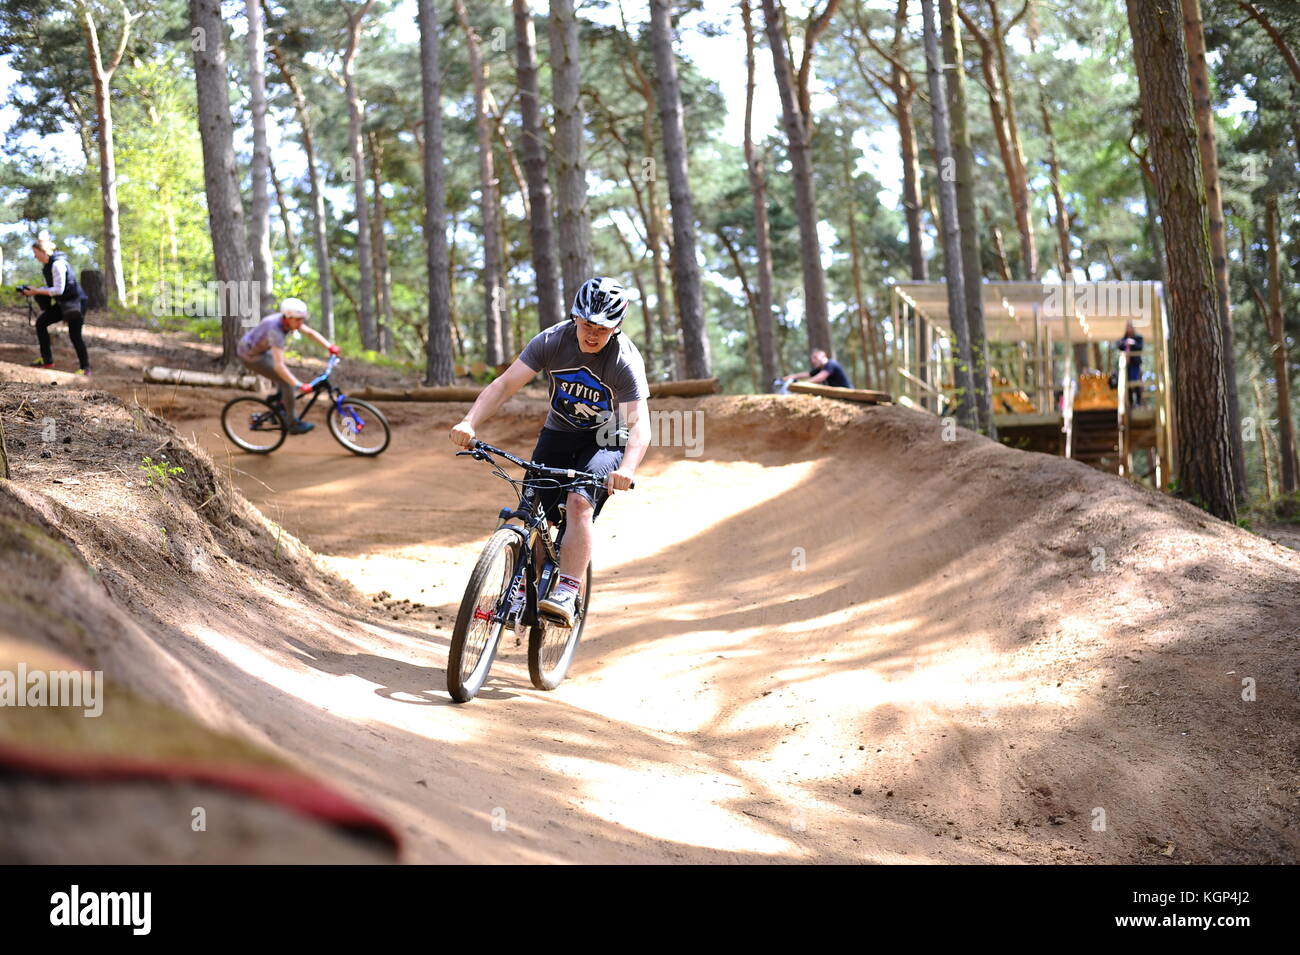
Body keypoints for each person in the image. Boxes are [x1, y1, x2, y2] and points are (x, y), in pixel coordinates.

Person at [449, 276, 650, 627]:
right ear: (575, 317)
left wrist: (629, 468)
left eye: (601, 329)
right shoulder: (552, 341)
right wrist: (469, 422)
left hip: (606, 437)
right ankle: (525, 591)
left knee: (578, 504)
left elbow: (640, 425)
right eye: (586, 324)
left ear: (616, 327)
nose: (591, 334)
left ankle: (567, 591)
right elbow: (504, 384)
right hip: (559, 431)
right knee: (533, 508)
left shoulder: (624, 361)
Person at [236, 298, 338, 434]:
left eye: (302, 319)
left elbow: (310, 333)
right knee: (287, 382)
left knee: (285, 377)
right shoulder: (275, 331)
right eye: (298, 320)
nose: (301, 323)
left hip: (259, 350)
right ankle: (293, 424)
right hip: (250, 356)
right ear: (287, 317)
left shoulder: (289, 321)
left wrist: (329, 346)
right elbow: (279, 366)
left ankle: (276, 406)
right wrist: (299, 385)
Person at [20, 237, 92, 375]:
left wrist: (36, 291)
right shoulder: (47, 266)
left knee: (75, 335)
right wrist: (33, 291)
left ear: (43, 251)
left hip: (76, 303)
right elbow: (51, 288)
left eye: (35, 252)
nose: (34, 256)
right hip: (64, 303)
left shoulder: (57, 264)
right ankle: (47, 360)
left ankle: (85, 368)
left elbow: (59, 290)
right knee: (41, 323)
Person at [782, 348, 852, 388]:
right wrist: (786, 378)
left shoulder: (831, 364)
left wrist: (800, 384)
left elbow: (819, 378)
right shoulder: (821, 368)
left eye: (815, 357)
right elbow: (803, 375)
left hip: (848, 392)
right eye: (812, 359)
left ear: (823, 355)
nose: (813, 361)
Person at [1116, 320, 1144, 407]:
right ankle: (1131, 403)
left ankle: (1138, 402)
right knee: (1128, 384)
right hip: (1126, 366)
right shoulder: (1124, 339)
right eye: (1128, 327)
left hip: (1135, 364)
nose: (1129, 329)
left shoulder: (1138, 338)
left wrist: (1132, 343)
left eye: (1130, 327)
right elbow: (1119, 345)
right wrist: (1126, 343)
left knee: (1136, 382)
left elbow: (1140, 347)